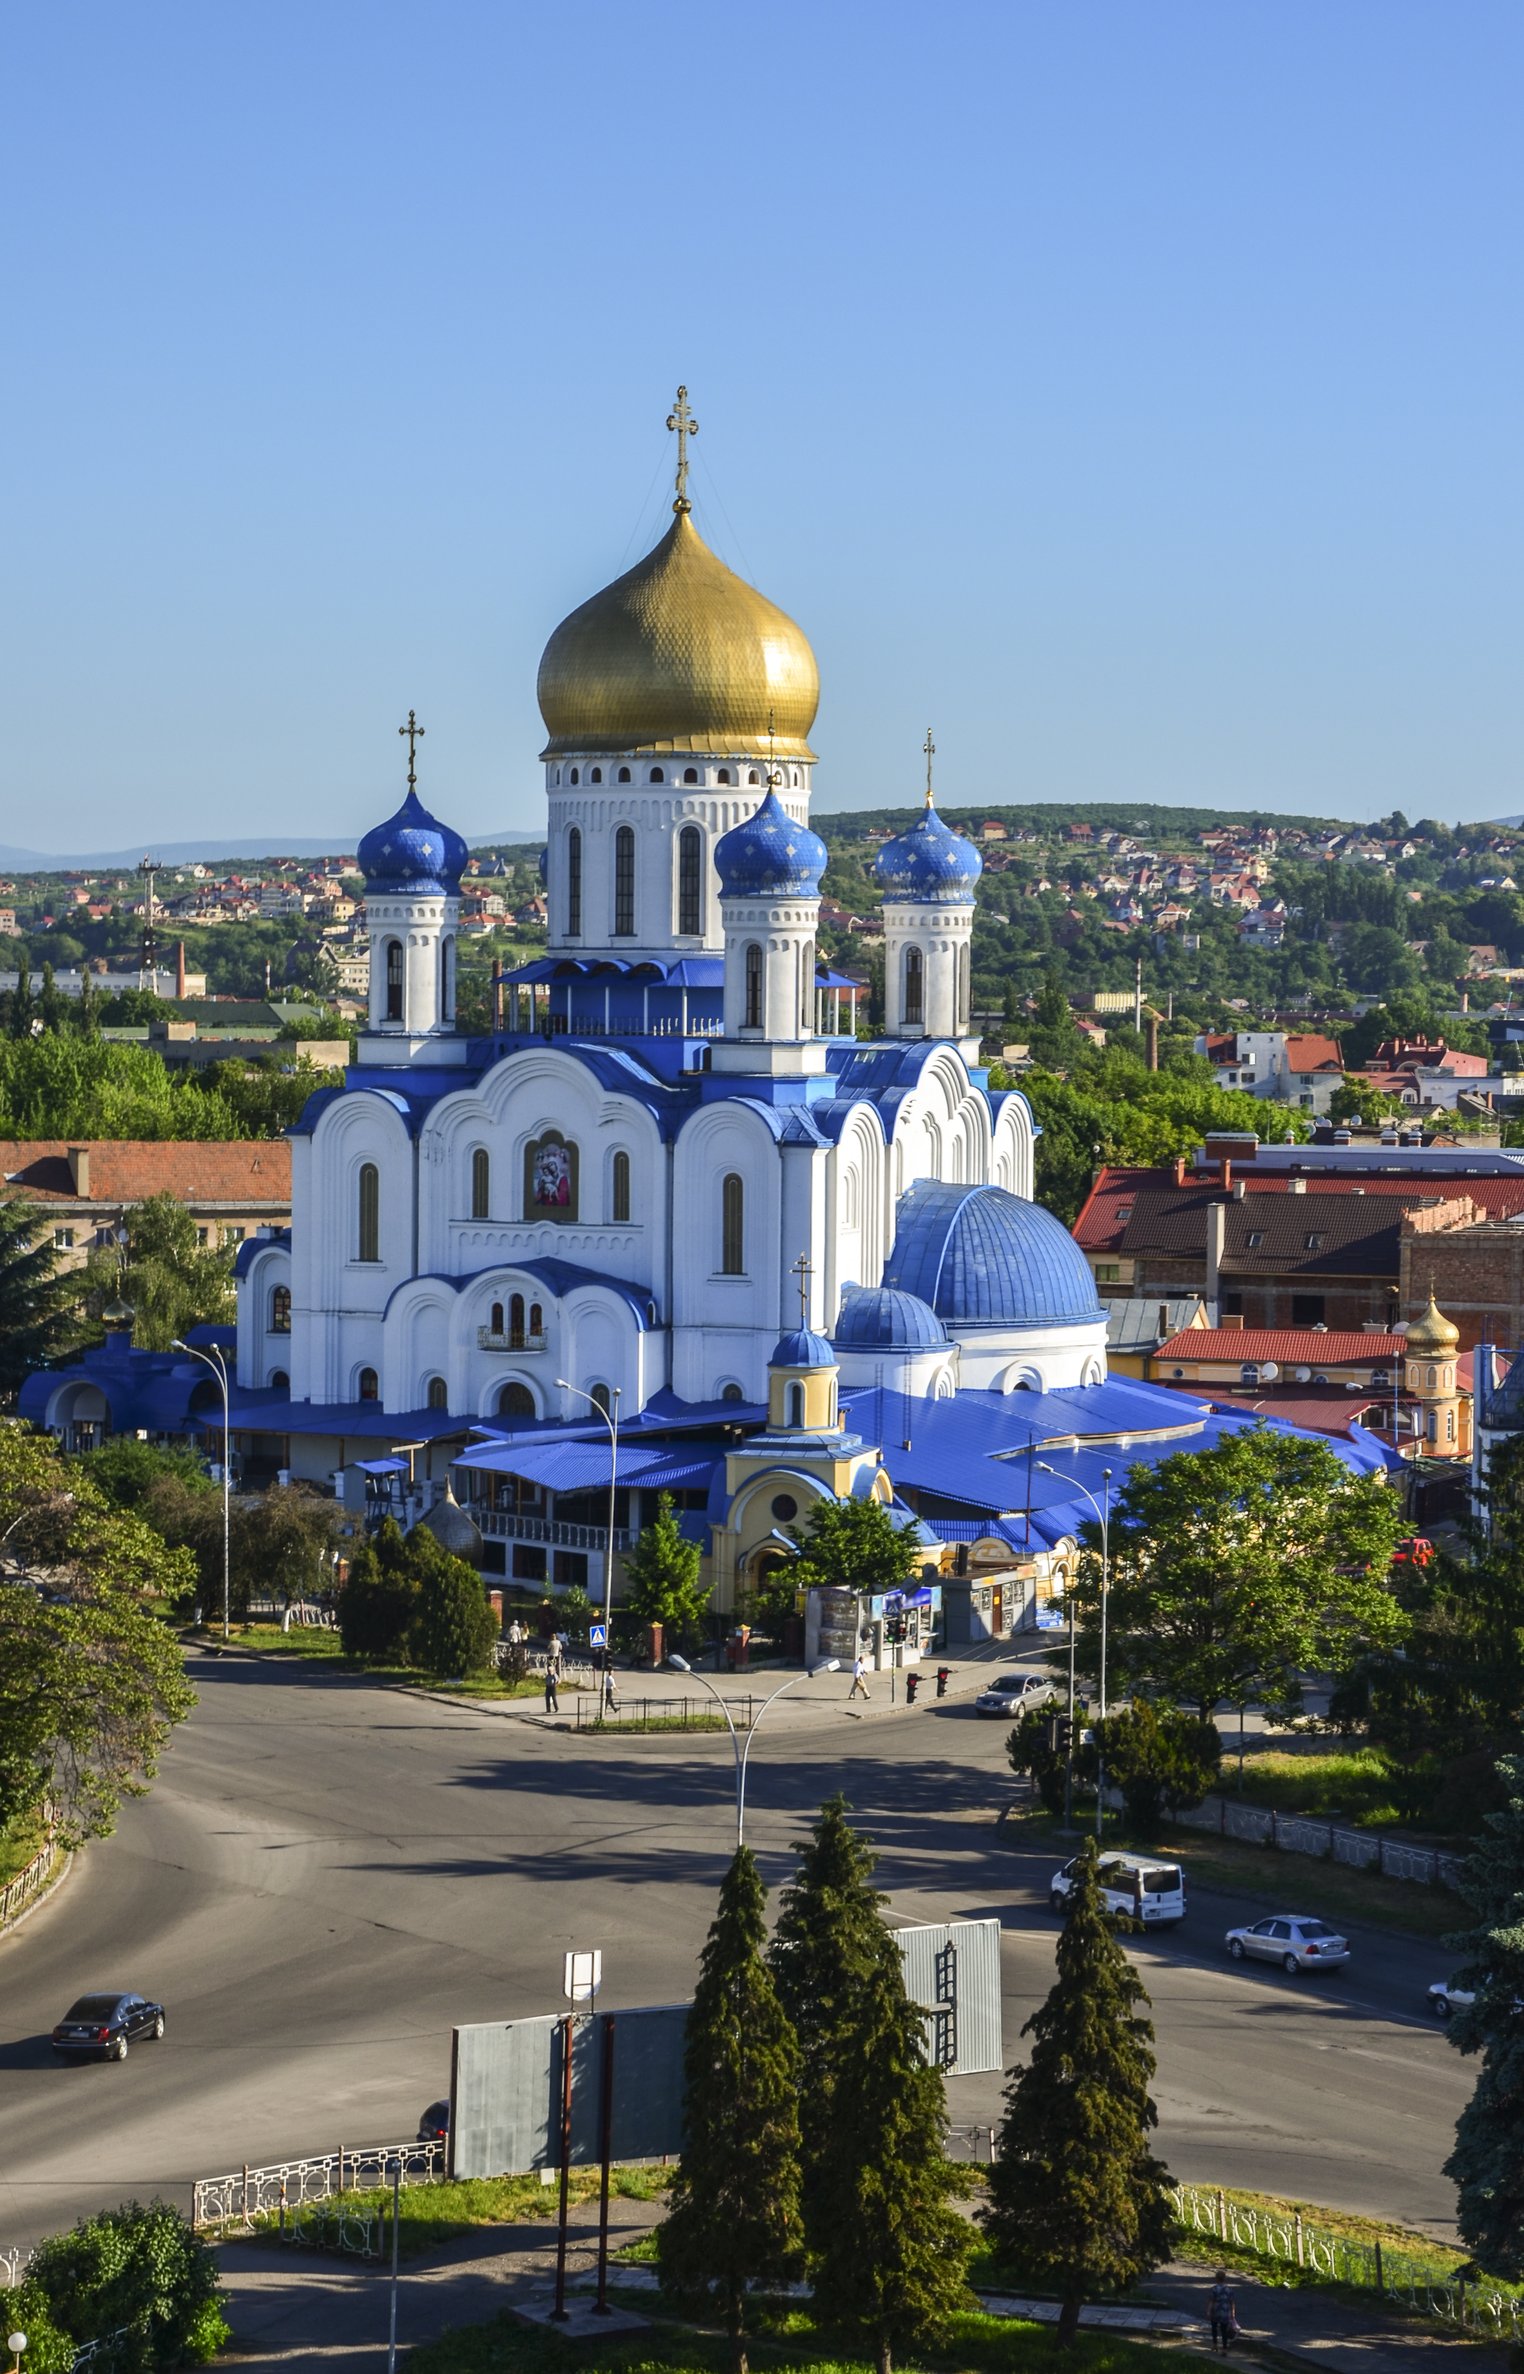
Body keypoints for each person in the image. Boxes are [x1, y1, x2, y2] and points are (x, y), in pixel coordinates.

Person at [1208, 2270, 1236, 2354]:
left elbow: (1211, 2301)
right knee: (1224, 2330)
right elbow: (1232, 2302)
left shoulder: (1214, 2289)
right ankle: (1224, 2348)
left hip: (1216, 2310)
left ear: (1216, 2278)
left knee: (1214, 2328)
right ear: (1224, 2278)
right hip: (1225, 2311)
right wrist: (1233, 2312)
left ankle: (1214, 2344)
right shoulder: (1229, 2290)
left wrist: (1208, 2311)